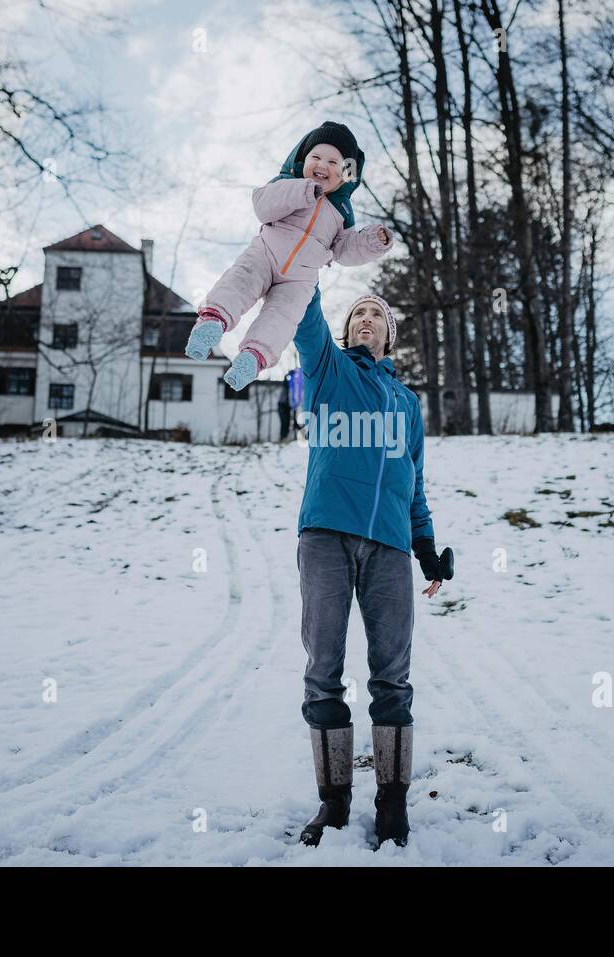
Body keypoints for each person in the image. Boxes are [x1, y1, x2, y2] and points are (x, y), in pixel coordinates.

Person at [291, 286, 454, 849]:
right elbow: (305, 314)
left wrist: (426, 547)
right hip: (326, 536)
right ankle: (333, 804)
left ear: (389, 333)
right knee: (324, 670)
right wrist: (311, 241)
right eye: (358, 312)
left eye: (377, 314)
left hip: (388, 546)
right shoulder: (327, 371)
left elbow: (415, 483)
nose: (366, 318)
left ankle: (392, 806)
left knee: (392, 678)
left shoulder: (407, 404)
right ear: (346, 330)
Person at [182, 121, 393, 390]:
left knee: (283, 318)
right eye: (316, 157)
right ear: (303, 159)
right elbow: (263, 205)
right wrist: (303, 191)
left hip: (300, 279)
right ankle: (211, 324)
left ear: (345, 174)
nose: (322, 165)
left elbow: (344, 250)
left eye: (333, 162)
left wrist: (373, 241)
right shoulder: (287, 182)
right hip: (265, 254)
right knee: (239, 282)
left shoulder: (342, 209)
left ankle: (252, 358)